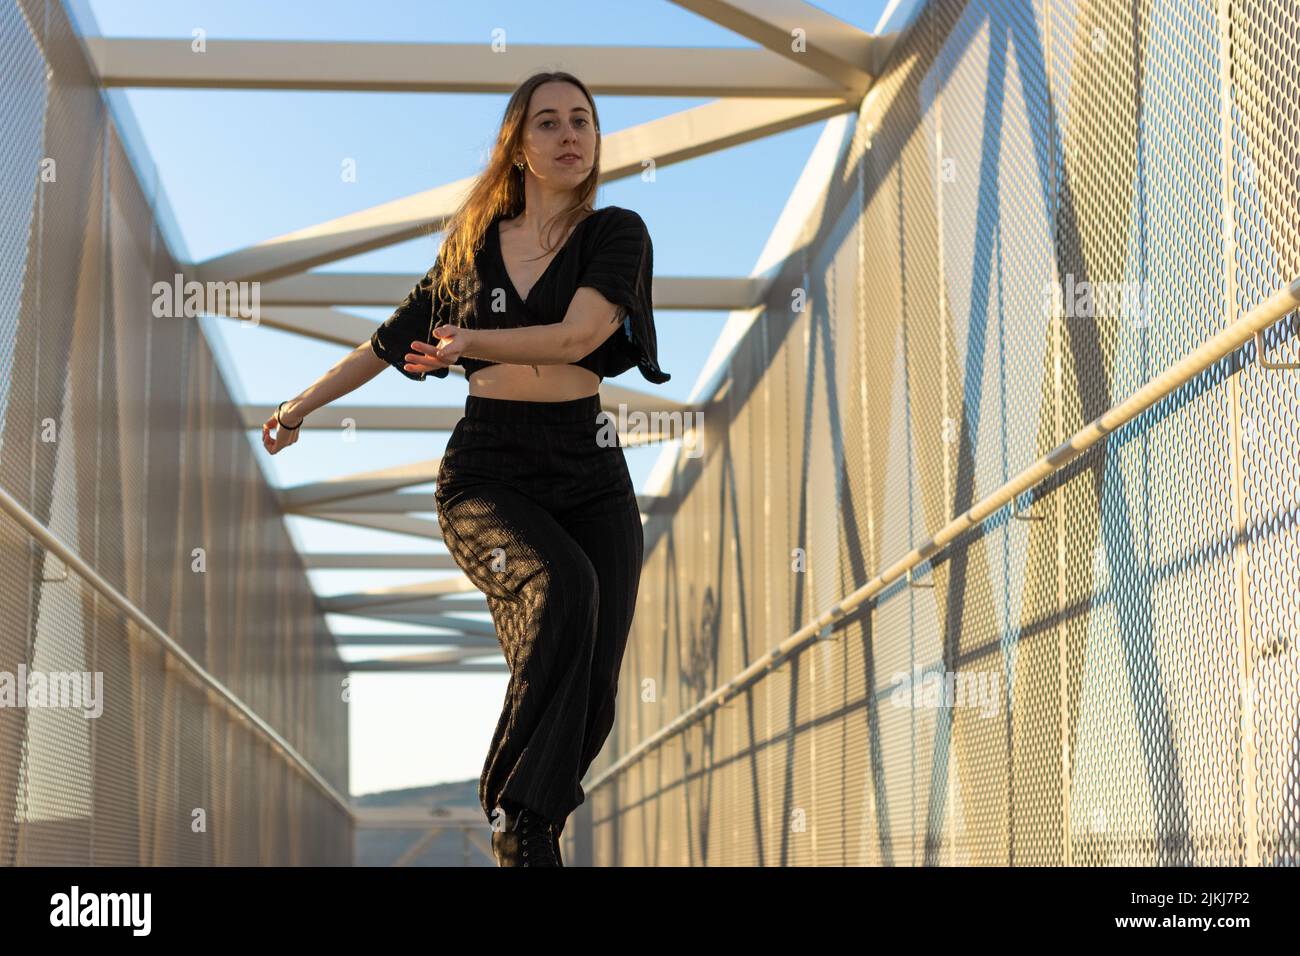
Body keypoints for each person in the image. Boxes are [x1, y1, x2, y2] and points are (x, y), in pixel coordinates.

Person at [262, 71, 671, 867]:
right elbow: (384, 345)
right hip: (489, 469)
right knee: (563, 587)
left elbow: (577, 335)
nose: (568, 136)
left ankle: (538, 828)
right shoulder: (469, 254)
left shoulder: (617, 232)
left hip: (589, 468)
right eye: (547, 123)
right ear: (519, 145)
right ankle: (516, 818)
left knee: (597, 677)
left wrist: (472, 343)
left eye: (581, 121)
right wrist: (298, 407)